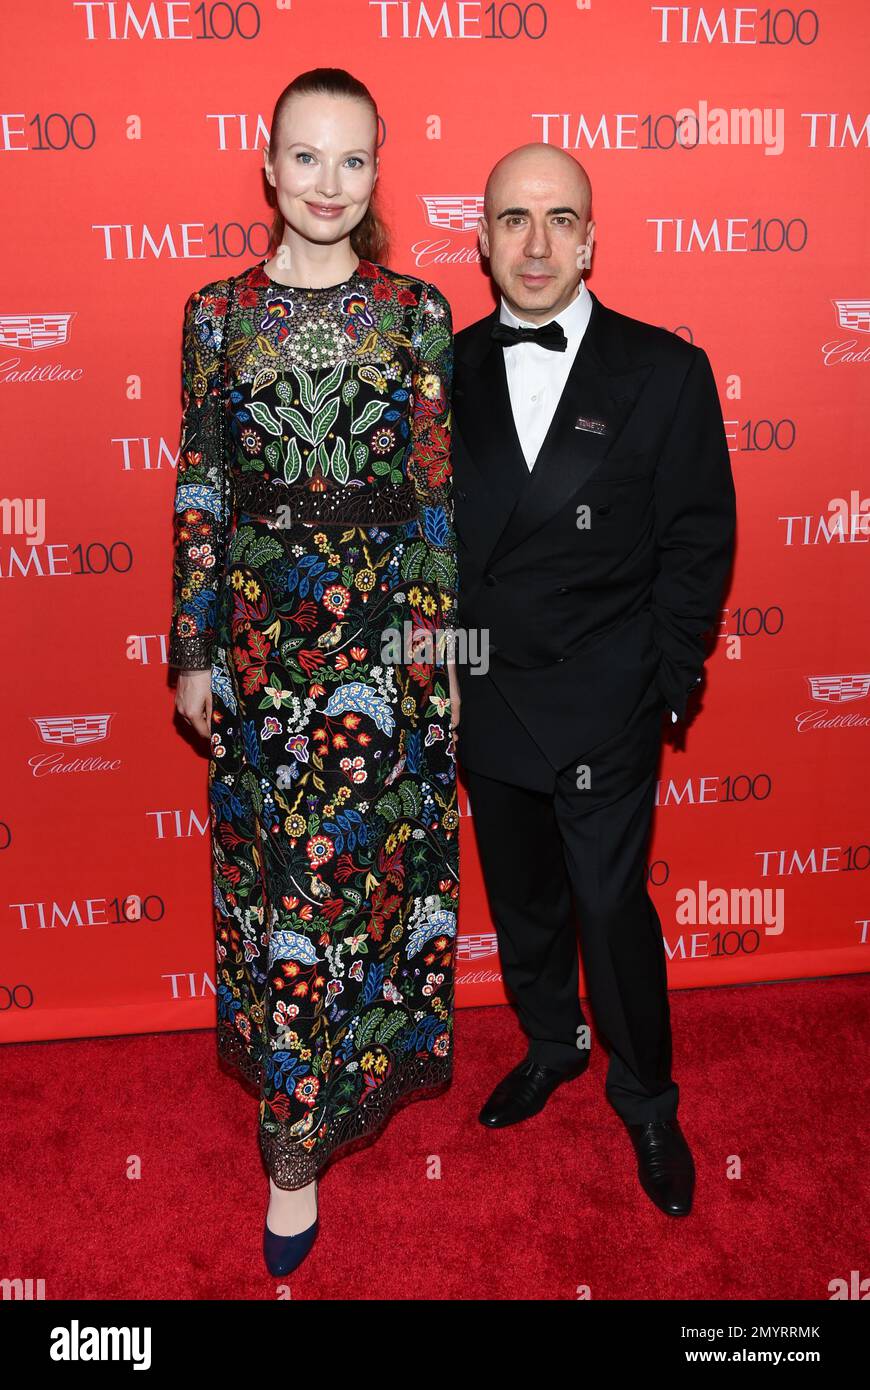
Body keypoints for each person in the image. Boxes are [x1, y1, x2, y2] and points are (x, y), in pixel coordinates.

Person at [167, 68, 460, 1274]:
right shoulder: (214, 315)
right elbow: (201, 483)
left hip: (386, 650)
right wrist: (190, 647)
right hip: (255, 652)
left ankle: (335, 1092)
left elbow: (438, 496)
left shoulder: (419, 313)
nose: (329, 183)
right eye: (306, 157)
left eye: (352, 160)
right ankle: (291, 1145)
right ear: (269, 162)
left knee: (362, 890)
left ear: (377, 169)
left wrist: (443, 659)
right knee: (282, 896)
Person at [452, 144, 736, 1216]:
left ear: (591, 238)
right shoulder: (444, 368)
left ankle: (647, 1093)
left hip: (604, 687)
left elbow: (698, 536)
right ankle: (551, 1042)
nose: (535, 244)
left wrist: (670, 674)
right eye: (513, 220)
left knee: (611, 905)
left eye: (559, 219)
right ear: (480, 239)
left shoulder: (662, 371)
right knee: (522, 897)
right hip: (483, 688)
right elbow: (423, 544)